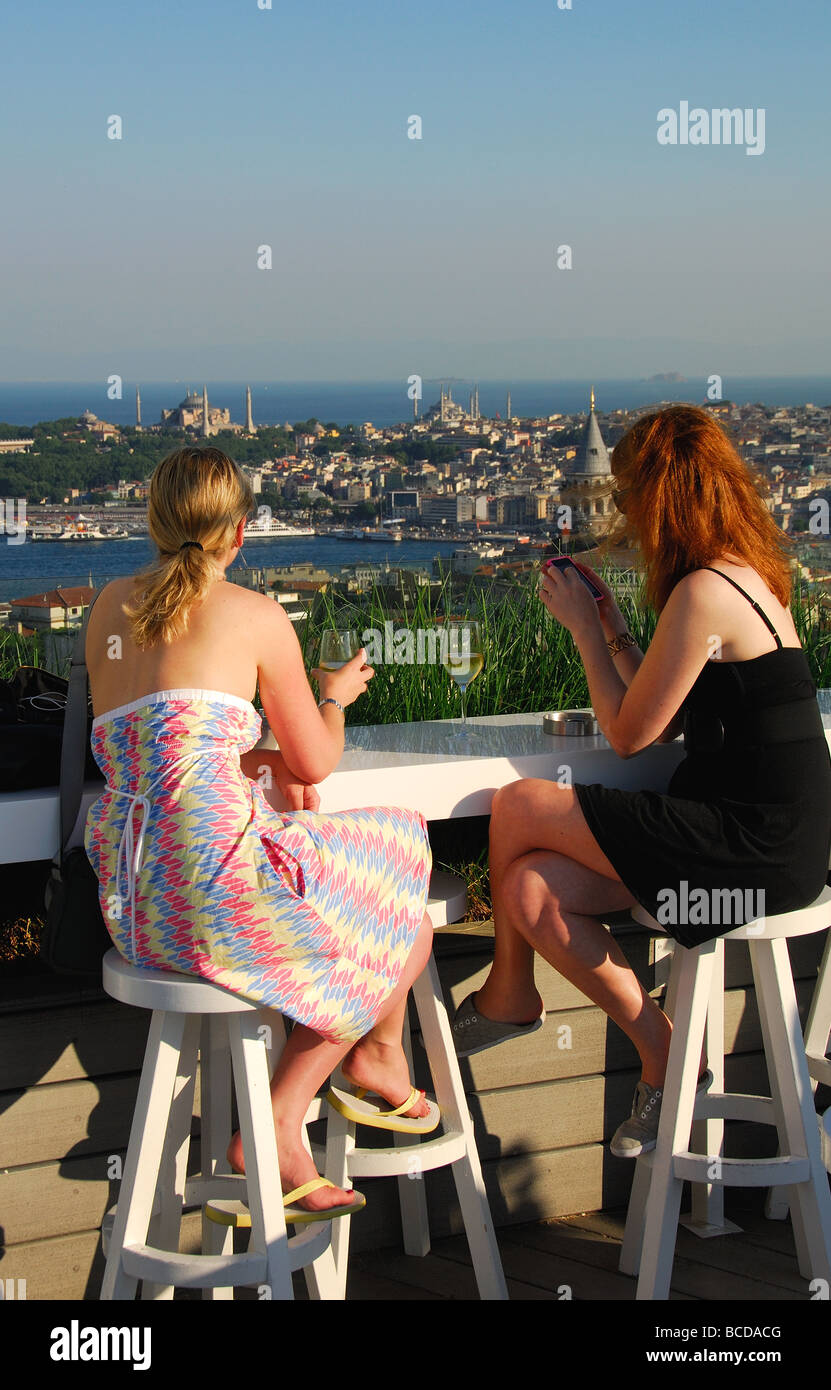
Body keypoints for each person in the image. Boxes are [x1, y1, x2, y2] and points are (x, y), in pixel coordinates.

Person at [451, 404, 831, 1157]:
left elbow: (629, 737)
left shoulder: (703, 592)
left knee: (523, 802)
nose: (620, 507)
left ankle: (509, 992)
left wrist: (585, 634)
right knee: (530, 887)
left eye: (628, 492)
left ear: (657, 496)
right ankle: (663, 1049)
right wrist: (614, 625)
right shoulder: (746, 578)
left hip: (749, 851)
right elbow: (679, 716)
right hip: (777, 851)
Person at [84, 445, 435, 1218]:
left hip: (135, 908)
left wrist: (245, 756)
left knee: (388, 914)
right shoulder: (256, 614)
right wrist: (333, 696)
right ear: (240, 533)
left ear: (152, 521)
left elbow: (170, 742)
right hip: (212, 898)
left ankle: (368, 1064)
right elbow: (315, 763)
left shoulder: (108, 606)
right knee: (403, 873)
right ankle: (286, 1113)